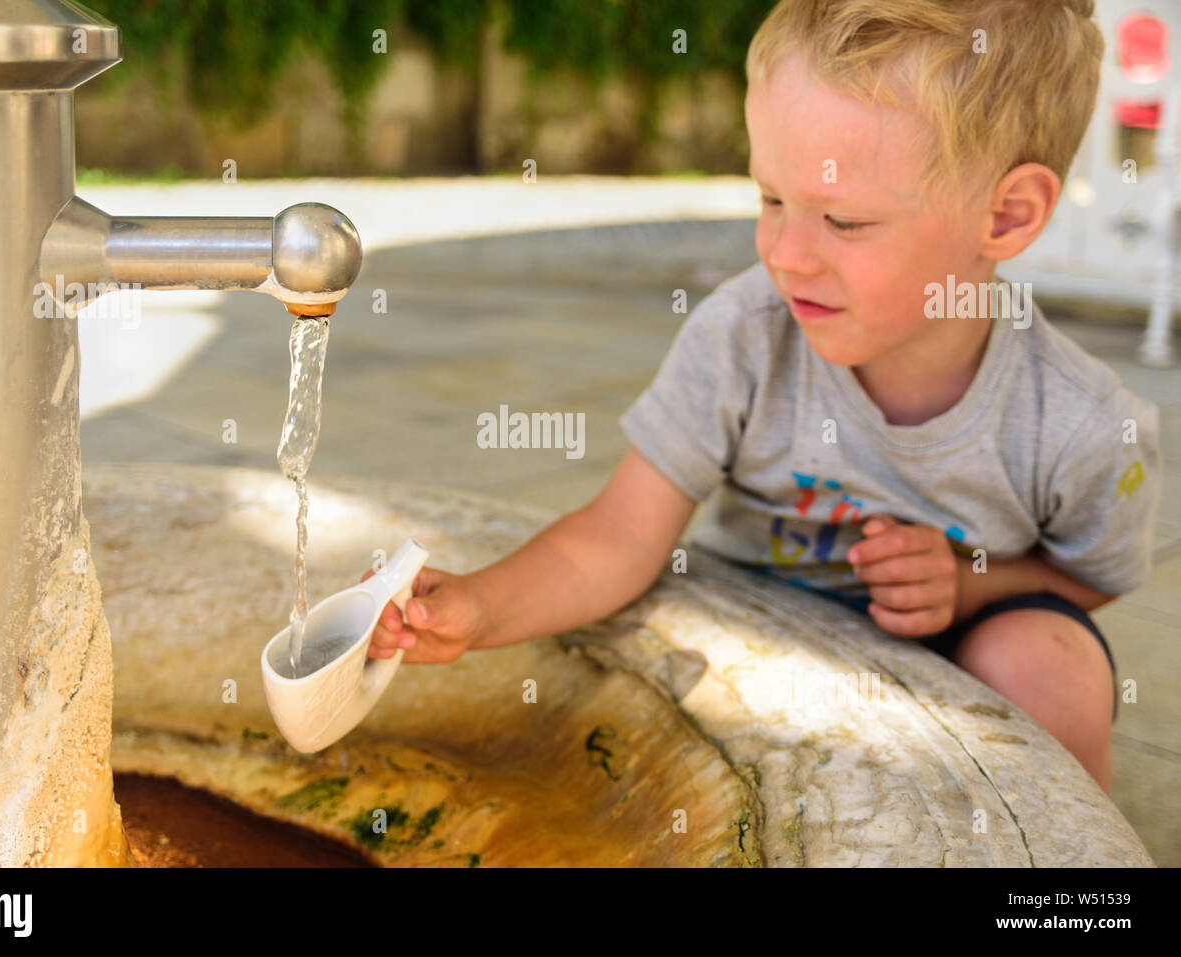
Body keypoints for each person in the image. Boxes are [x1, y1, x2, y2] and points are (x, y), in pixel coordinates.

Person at [362, 0, 1161, 793]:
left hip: (959, 653)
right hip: (761, 637)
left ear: (1007, 215)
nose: (785, 253)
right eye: (771, 200)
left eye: (843, 221)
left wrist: (972, 583)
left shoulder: (1081, 422)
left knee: (1053, 667)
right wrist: (479, 609)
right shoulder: (745, 335)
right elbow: (618, 535)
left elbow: (1093, 574)